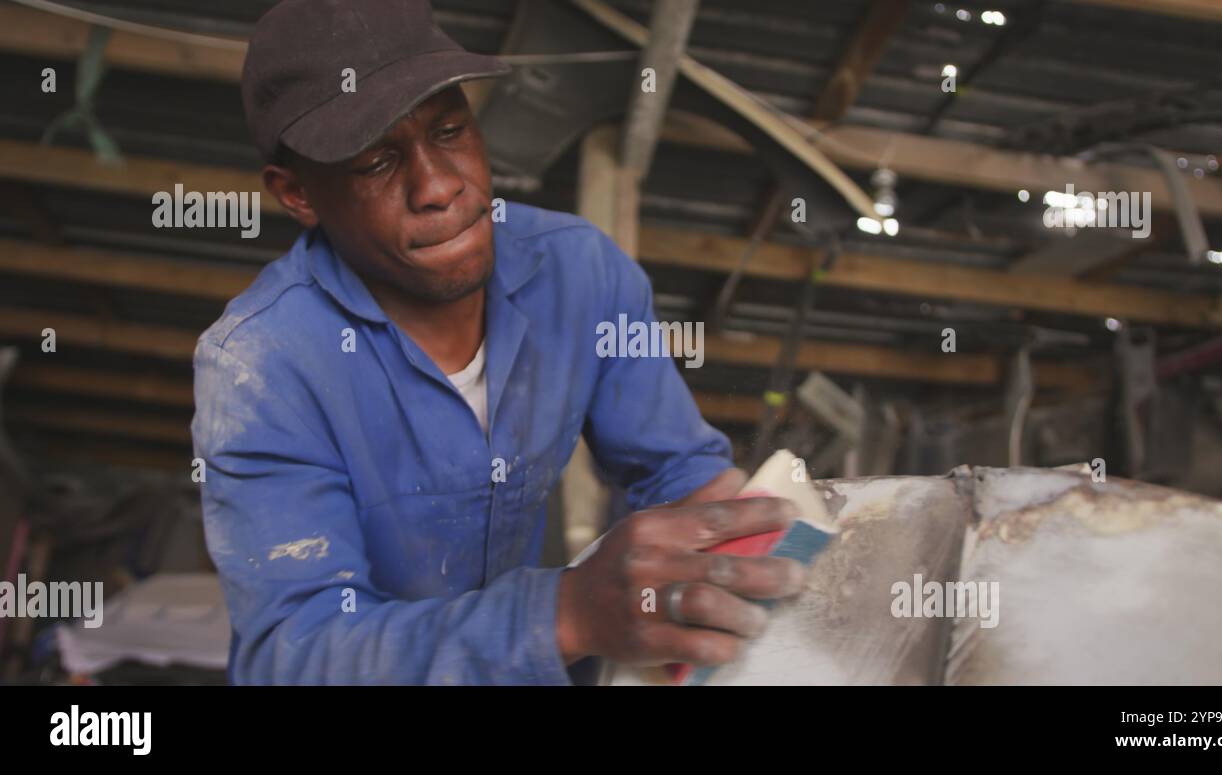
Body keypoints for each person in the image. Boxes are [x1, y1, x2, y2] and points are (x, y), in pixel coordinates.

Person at [192, 0, 806, 684]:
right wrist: (564, 614)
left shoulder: (579, 274)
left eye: (450, 129)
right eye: (376, 163)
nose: (440, 185)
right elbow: (297, 653)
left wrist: (751, 537)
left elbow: (680, 470)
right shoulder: (263, 364)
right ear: (297, 194)